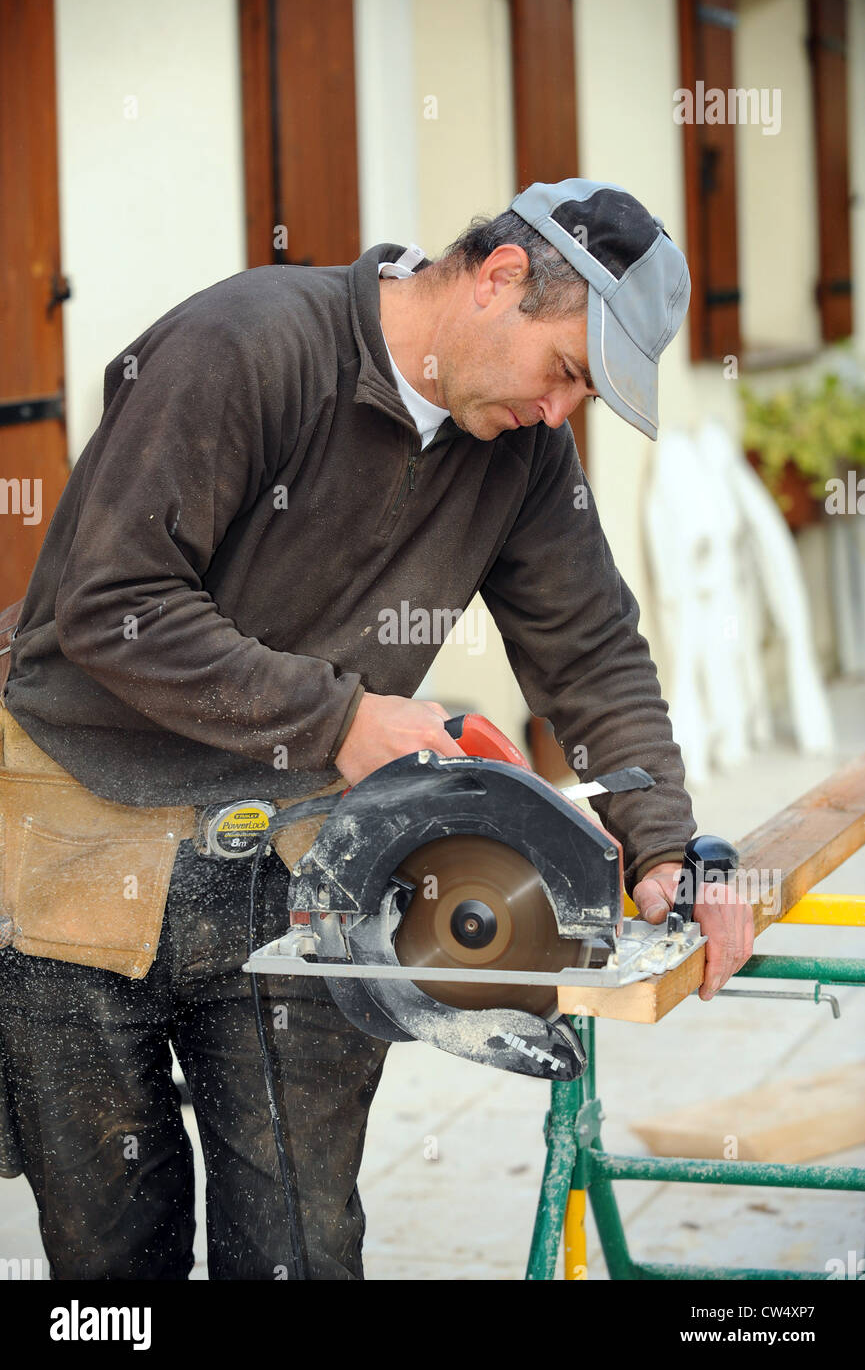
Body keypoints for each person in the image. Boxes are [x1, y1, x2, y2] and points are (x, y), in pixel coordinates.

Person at [0, 178, 754, 1280]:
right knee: (111, 1253)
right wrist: (343, 717)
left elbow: (588, 649)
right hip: (83, 821)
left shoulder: (523, 455)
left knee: (302, 1242)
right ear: (501, 280)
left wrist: (666, 847)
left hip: (295, 846)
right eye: (568, 370)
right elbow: (117, 607)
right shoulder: (245, 345)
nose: (562, 413)